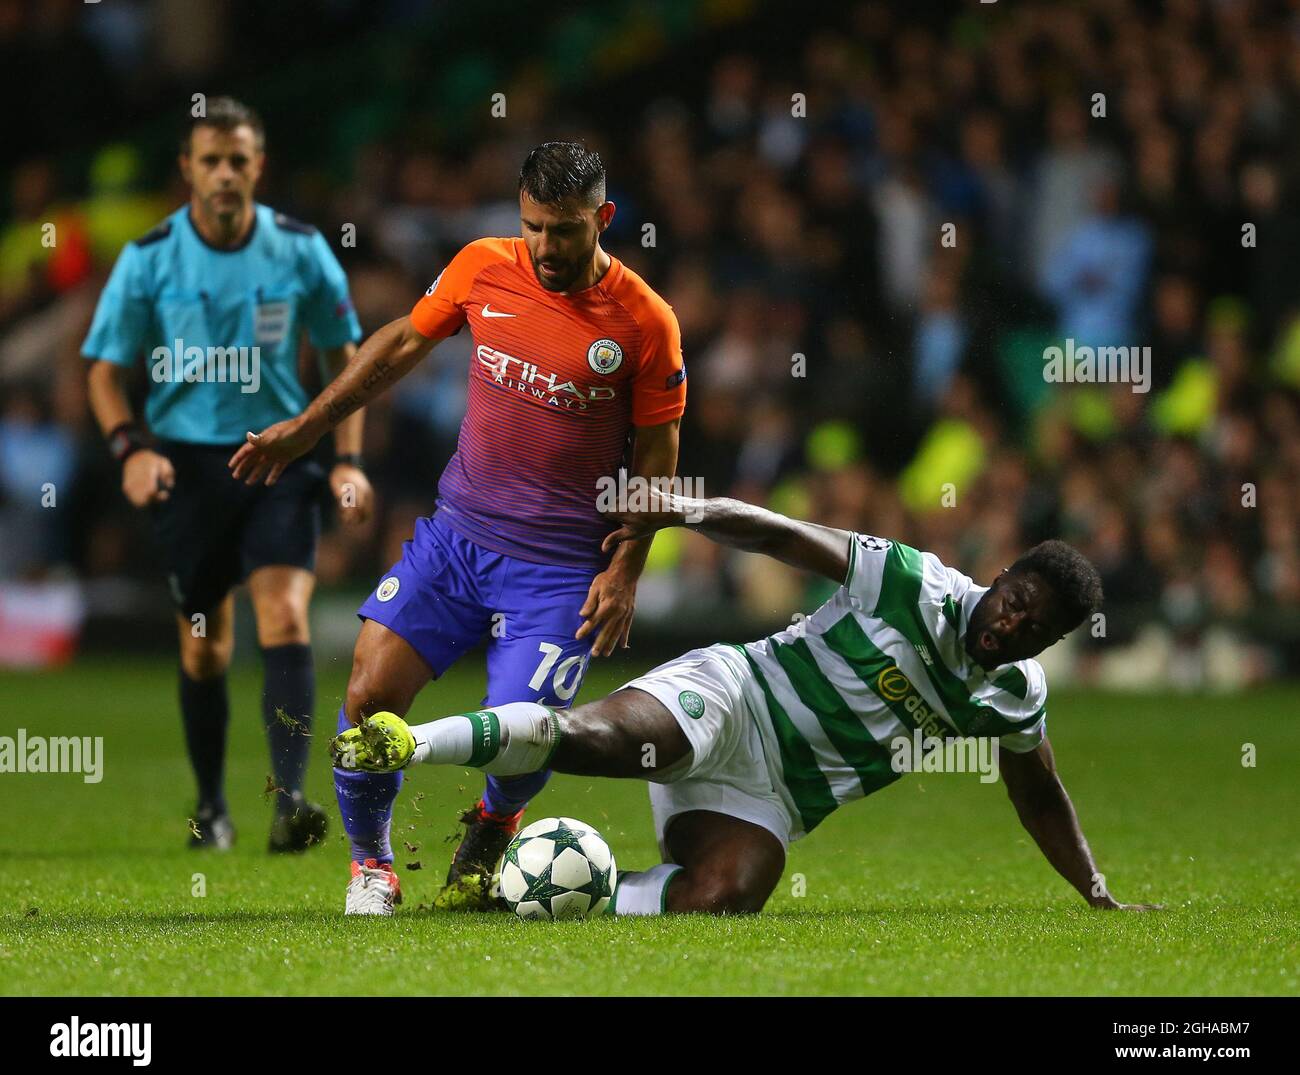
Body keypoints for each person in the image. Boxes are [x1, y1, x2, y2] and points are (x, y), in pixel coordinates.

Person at [229, 143, 686, 914]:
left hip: (563, 566)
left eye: (567, 230)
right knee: (370, 693)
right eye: (534, 226)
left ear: (604, 220)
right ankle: (372, 867)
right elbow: (403, 342)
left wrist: (627, 570)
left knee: (525, 737)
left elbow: (660, 455)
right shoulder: (483, 266)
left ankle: (496, 822)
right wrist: (310, 427)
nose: (546, 247)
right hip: (456, 539)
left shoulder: (645, 320)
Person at [333, 491, 1163, 915]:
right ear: (1002, 574)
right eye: (1016, 597)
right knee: (601, 739)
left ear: (1048, 646)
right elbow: (777, 533)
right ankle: (409, 742)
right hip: (735, 696)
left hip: (768, 798)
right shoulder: (914, 583)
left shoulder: (1015, 695)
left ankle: (529, 891)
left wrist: (1093, 888)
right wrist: (682, 509)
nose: (1013, 623)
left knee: (730, 892)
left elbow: (1038, 794)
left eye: (1036, 629)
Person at [84, 97, 368, 851]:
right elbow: (105, 373)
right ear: (186, 169)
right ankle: (211, 809)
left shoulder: (302, 250)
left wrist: (345, 460)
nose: (224, 174)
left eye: (238, 160)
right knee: (205, 645)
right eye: (210, 160)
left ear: (258, 166)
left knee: (283, 614)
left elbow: (348, 361)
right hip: (185, 466)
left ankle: (290, 803)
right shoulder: (148, 258)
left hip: (277, 455)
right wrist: (129, 449)